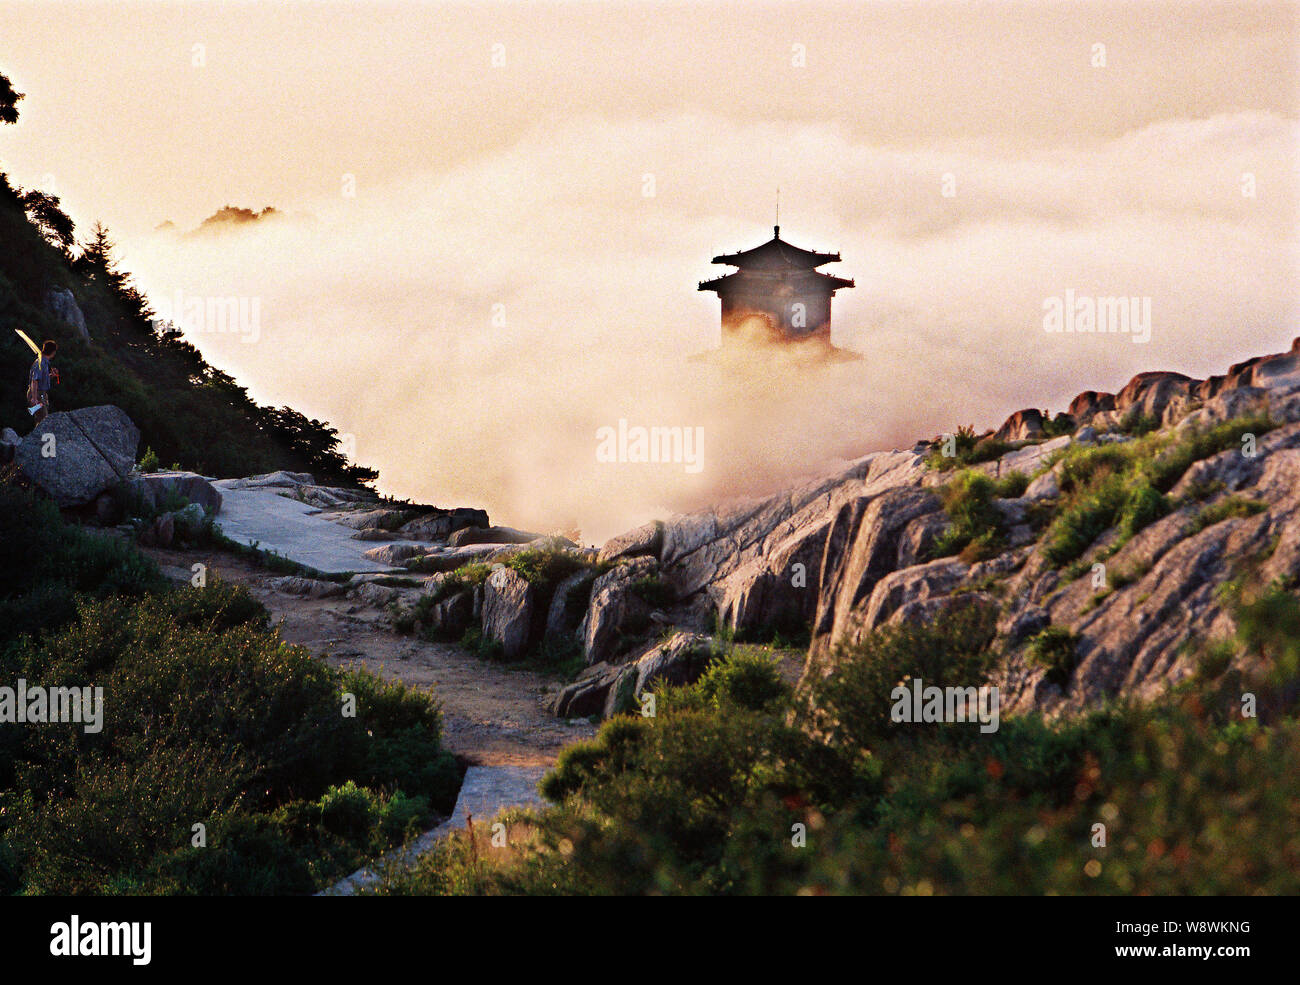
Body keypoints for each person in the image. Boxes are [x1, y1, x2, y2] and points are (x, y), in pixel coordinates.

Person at [26, 339, 57, 425]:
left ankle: (39, 437)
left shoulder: (44, 362)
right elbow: (34, 380)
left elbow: (40, 379)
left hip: (41, 394)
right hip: (37, 394)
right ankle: (40, 438)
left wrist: (51, 375)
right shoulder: (41, 363)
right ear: (53, 352)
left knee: (41, 420)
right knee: (43, 421)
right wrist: (34, 398)